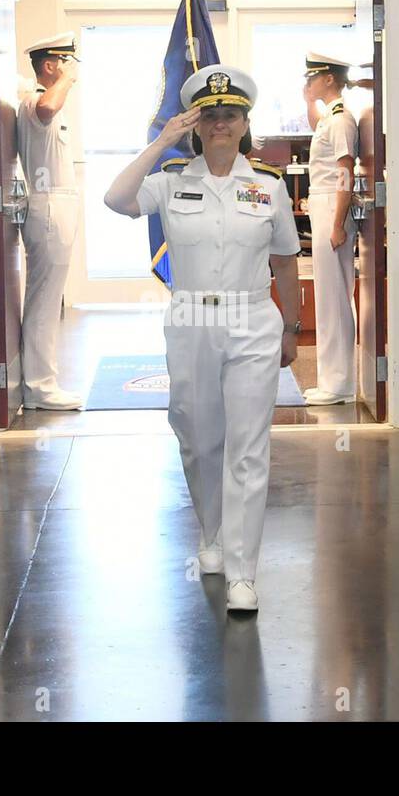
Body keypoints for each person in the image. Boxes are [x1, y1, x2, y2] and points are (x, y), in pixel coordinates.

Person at [104, 65, 303, 612]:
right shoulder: (170, 179)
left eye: (230, 115)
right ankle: (212, 533)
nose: (220, 124)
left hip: (253, 318)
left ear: (244, 125)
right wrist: (161, 140)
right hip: (191, 317)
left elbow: (286, 260)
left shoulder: (268, 185)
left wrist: (292, 329)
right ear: (196, 124)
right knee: (195, 434)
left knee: (247, 445)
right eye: (210, 115)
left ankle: (243, 570)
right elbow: (115, 199)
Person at [14, 32, 83, 410]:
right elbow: (46, 109)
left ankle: (43, 381)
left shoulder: (46, 100)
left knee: (48, 297)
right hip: (50, 206)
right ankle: (40, 387)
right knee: (44, 300)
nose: (73, 69)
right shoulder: (34, 101)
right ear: (50, 65)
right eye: (67, 62)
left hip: (60, 203)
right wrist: (67, 80)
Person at [301, 52, 359, 407]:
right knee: (327, 296)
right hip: (322, 203)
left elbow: (345, 171)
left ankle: (339, 384)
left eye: (312, 78)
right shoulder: (328, 119)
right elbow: (315, 130)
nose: (307, 84)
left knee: (335, 297)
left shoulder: (341, 120)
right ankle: (331, 380)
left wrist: (337, 223)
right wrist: (307, 102)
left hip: (330, 206)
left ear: (329, 79)